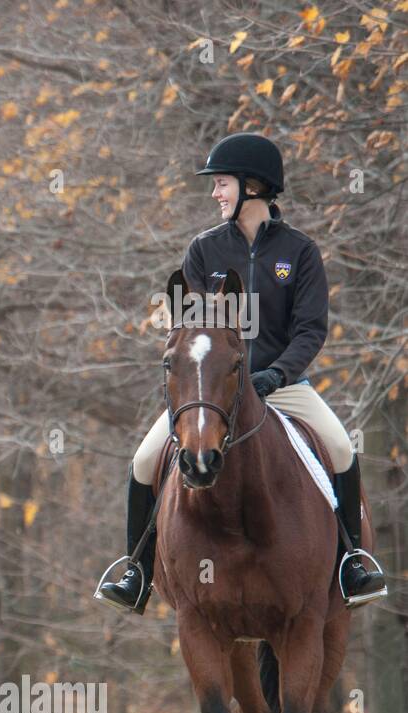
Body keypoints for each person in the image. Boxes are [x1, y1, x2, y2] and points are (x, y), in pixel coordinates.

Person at [97, 132, 386, 613]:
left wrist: (276, 375)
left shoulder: (300, 253)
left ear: (254, 186)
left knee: (340, 448)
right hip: (211, 392)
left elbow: (311, 331)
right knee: (144, 461)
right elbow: (188, 330)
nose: (215, 193)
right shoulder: (204, 250)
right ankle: (137, 570)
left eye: (223, 183)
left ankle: (352, 563)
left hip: (283, 387)